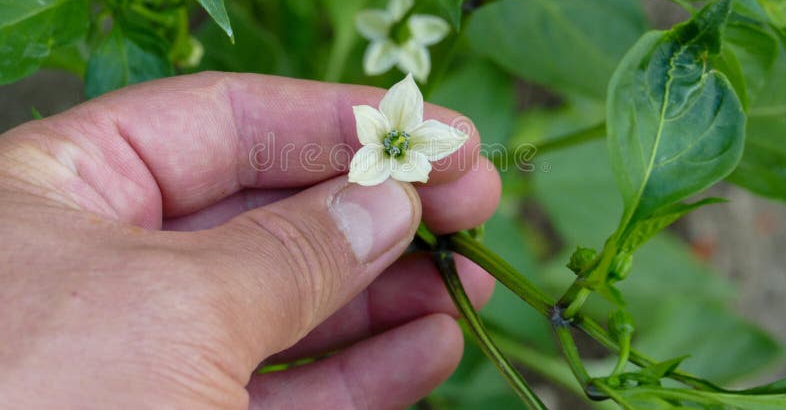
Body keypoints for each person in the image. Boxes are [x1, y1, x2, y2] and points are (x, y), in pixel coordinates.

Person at [0, 72, 501, 408]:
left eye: (398, 141)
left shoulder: (399, 145)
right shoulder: (379, 146)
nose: (396, 140)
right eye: (394, 139)